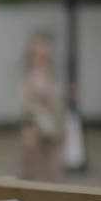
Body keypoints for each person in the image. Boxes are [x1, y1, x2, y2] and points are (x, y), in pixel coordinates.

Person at [19, 32, 65, 183]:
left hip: (53, 129)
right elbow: (26, 103)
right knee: (34, 173)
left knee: (54, 171)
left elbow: (57, 101)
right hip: (34, 128)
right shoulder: (28, 75)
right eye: (39, 46)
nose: (44, 50)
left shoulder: (51, 74)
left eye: (45, 47)